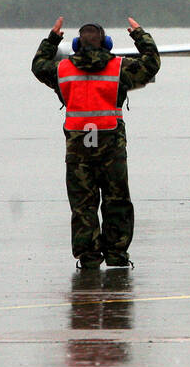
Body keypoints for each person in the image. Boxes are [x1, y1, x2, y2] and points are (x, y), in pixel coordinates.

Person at [32, 17, 160, 268]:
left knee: (83, 206)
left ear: (77, 44)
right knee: (117, 201)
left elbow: (38, 66)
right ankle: (117, 254)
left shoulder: (62, 70)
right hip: (111, 147)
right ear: (107, 44)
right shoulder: (120, 67)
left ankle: (88, 258)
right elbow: (152, 62)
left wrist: (52, 39)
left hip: (79, 150)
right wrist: (139, 35)